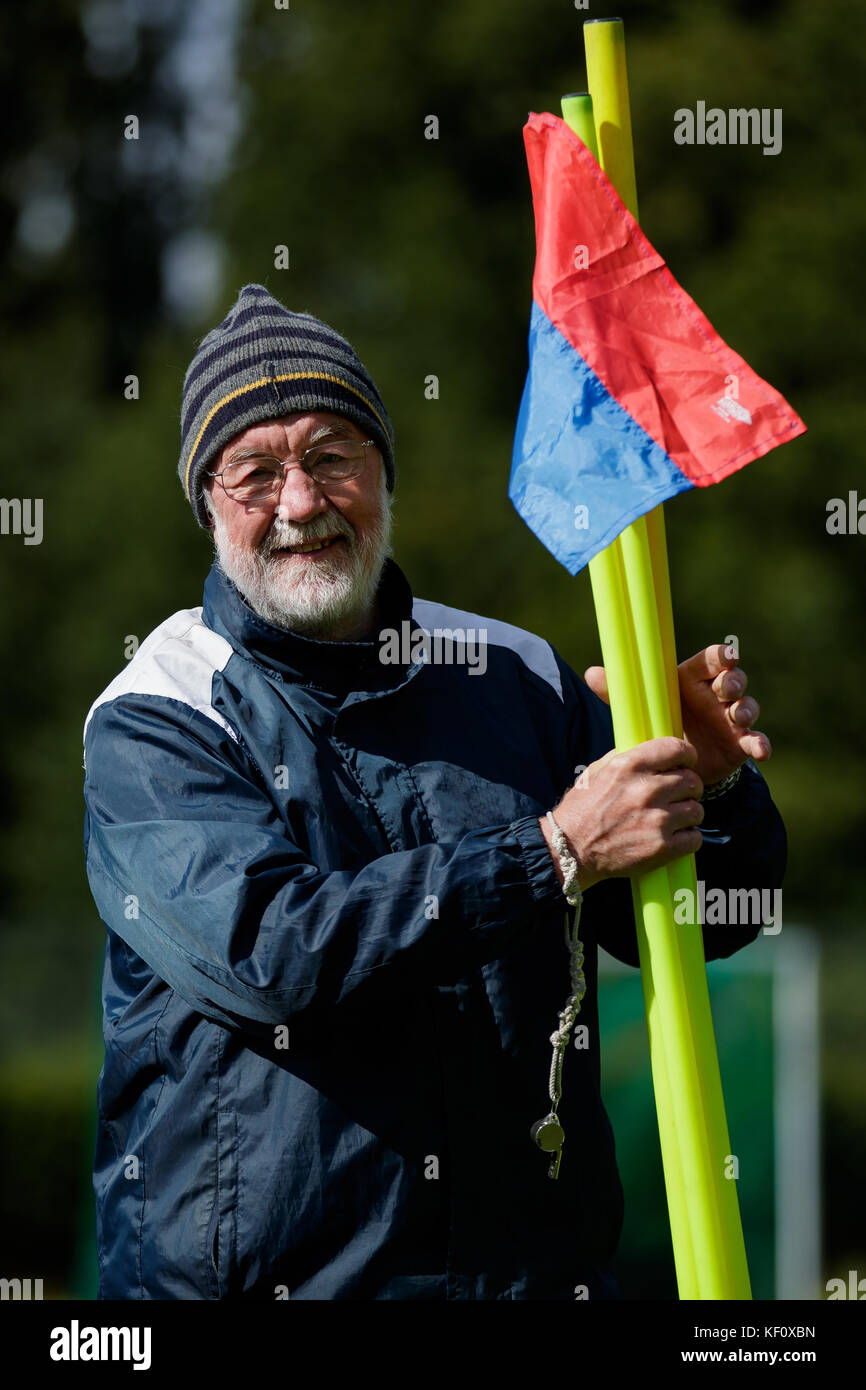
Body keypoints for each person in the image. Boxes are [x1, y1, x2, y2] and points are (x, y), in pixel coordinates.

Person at [82, 283, 786, 1300]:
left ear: (383, 473)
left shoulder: (517, 675)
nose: (300, 502)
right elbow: (274, 953)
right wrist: (552, 851)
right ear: (207, 507)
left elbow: (695, 918)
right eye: (254, 474)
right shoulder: (156, 713)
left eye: (332, 456)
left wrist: (707, 786)